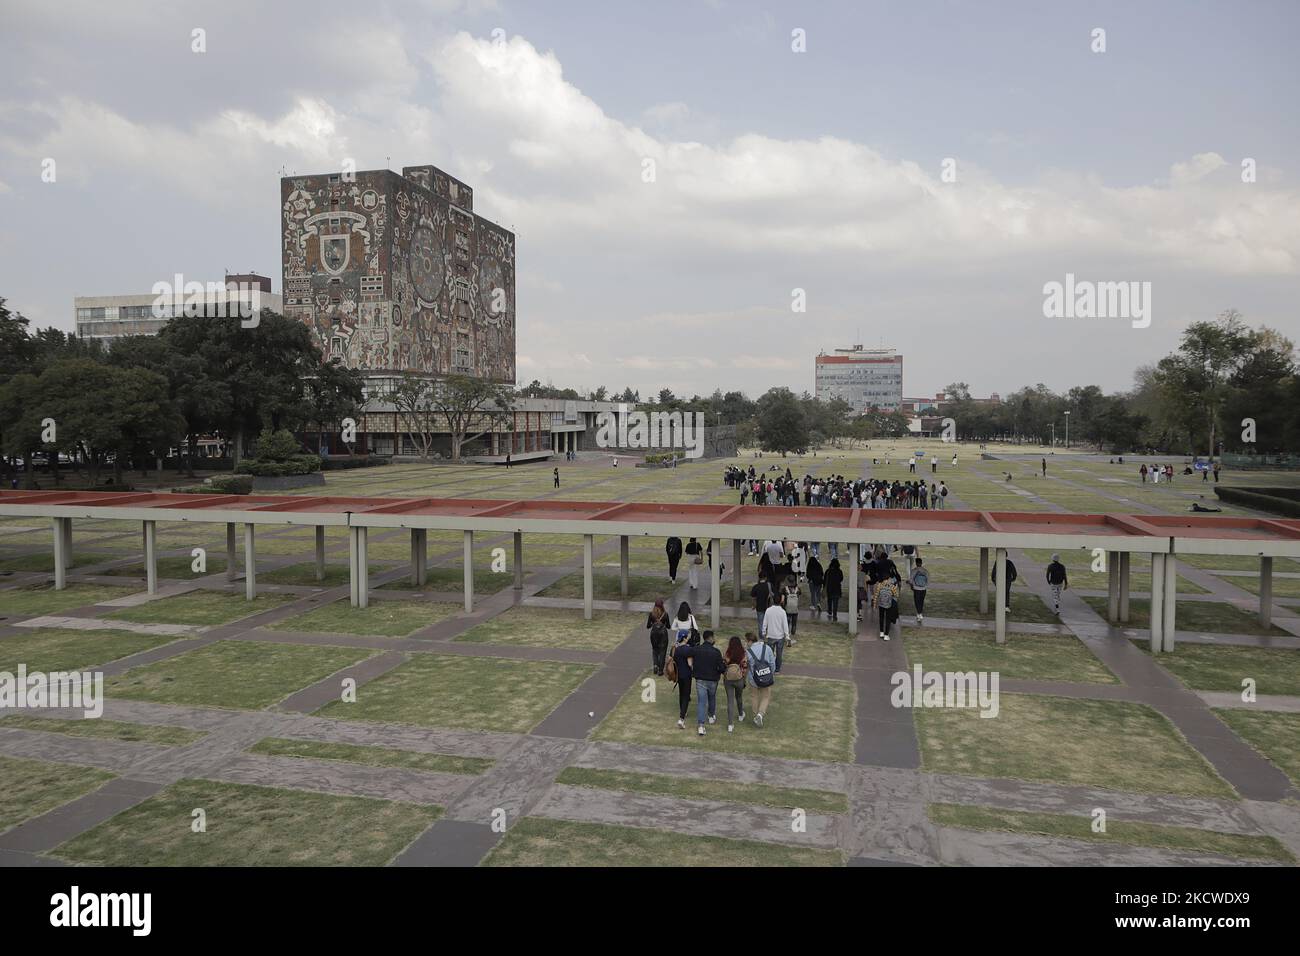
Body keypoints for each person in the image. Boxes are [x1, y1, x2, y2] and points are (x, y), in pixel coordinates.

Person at [689, 630, 726, 736]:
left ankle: (701, 725)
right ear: (710, 638)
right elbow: (721, 668)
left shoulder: (696, 650)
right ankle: (711, 716)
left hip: (700, 679)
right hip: (713, 680)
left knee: (701, 702)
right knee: (712, 697)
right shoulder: (716, 652)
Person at [746, 631, 776, 727]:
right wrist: (770, 673)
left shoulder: (748, 652)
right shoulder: (767, 648)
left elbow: (747, 666)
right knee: (766, 696)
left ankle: (756, 715)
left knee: (754, 697)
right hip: (766, 677)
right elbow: (772, 663)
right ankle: (760, 714)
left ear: (750, 641)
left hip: (753, 679)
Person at [671, 630, 698, 729]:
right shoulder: (688, 650)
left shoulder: (676, 649)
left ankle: (683, 711)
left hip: (679, 675)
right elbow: (690, 663)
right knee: (686, 695)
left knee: (681, 693)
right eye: (688, 636)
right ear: (685, 638)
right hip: (687, 675)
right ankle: (681, 718)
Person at [721, 636, 749, 732]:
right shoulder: (743, 653)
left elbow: (723, 665)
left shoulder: (727, 653)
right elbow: (745, 667)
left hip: (728, 679)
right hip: (739, 679)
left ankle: (730, 724)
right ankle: (741, 714)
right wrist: (744, 679)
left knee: (730, 701)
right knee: (739, 697)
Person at [761, 591, 791, 673]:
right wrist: (787, 637)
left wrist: (763, 633)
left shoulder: (768, 610)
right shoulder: (782, 612)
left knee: (770, 654)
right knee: (779, 654)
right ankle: (777, 669)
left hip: (770, 635)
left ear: (772, 600)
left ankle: (770, 668)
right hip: (780, 637)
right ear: (781, 601)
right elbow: (785, 626)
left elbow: (764, 623)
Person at [646, 599, 671, 674]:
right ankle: (660, 670)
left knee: (655, 650)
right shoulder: (665, 614)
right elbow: (668, 626)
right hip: (663, 635)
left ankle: (655, 665)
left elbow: (648, 626)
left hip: (654, 635)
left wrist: (653, 624)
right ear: (662, 605)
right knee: (662, 651)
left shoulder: (651, 614)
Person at [874, 574, 899, 640]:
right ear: (888, 579)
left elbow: (876, 595)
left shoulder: (879, 585)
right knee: (888, 619)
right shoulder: (891, 586)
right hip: (889, 605)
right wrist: (896, 588)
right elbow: (896, 595)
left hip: (881, 604)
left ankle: (881, 632)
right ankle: (886, 635)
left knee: (881, 618)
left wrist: (874, 605)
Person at [908, 557, 929, 624]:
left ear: (916, 563)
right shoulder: (925, 571)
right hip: (923, 589)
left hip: (916, 589)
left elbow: (911, 580)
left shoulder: (913, 571)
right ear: (921, 563)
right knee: (921, 601)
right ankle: (920, 613)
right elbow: (928, 580)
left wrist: (912, 586)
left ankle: (918, 613)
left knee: (917, 602)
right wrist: (924, 586)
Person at [824, 557, 844, 622]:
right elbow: (841, 579)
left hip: (830, 588)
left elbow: (825, 580)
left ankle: (830, 611)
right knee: (835, 602)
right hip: (837, 588)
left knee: (829, 601)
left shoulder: (828, 571)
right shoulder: (839, 571)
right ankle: (835, 614)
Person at [783, 576, 800, 645]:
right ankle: (792, 636)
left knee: (787, 623)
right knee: (794, 623)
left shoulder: (785, 589)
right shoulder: (797, 589)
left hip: (788, 608)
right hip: (795, 608)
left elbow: (782, 597)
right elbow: (799, 595)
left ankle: (787, 636)